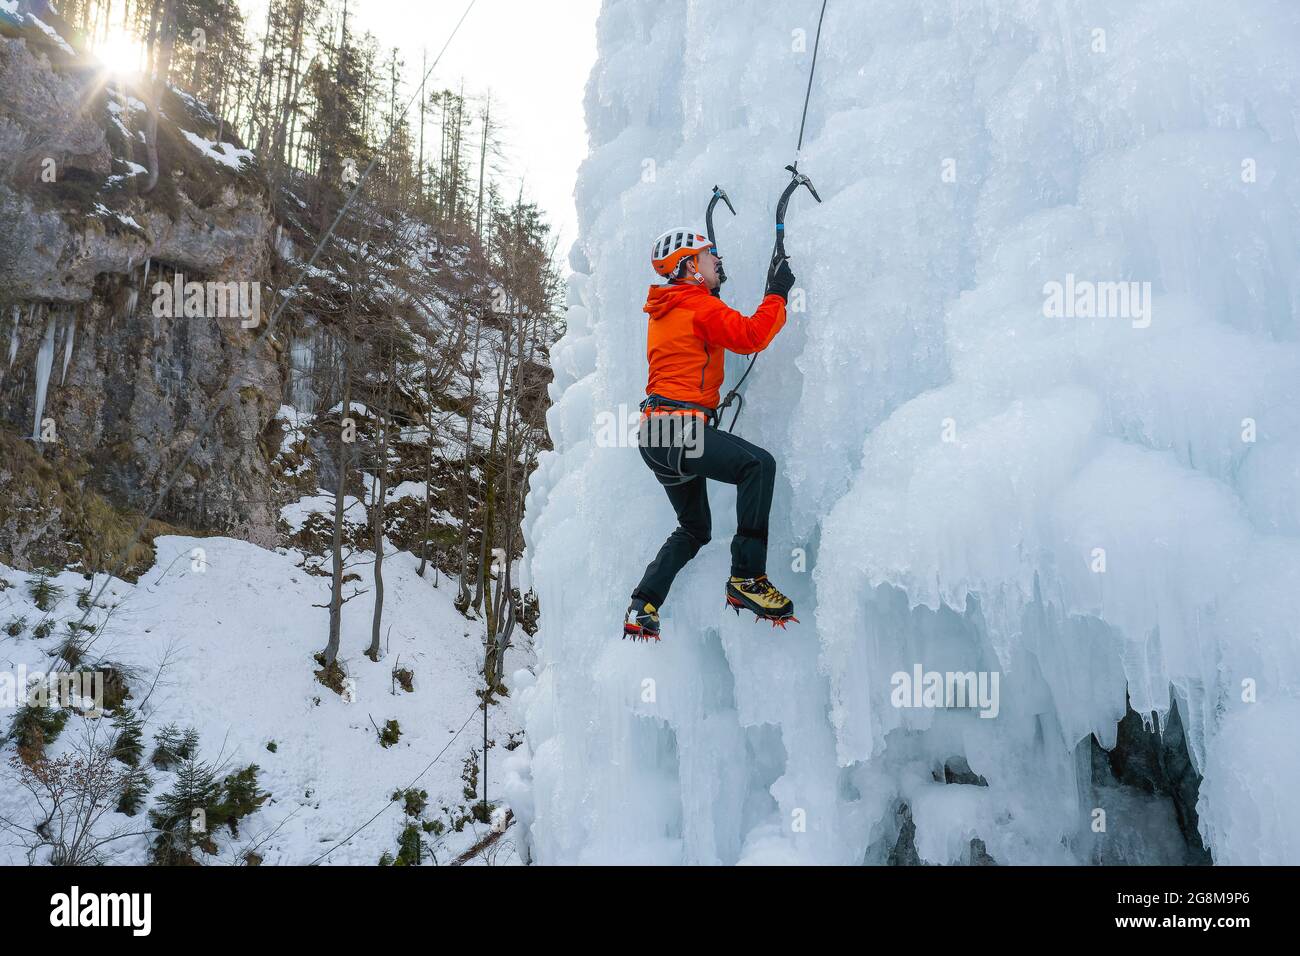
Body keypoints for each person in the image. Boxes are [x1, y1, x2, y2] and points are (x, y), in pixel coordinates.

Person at [623, 226, 798, 641]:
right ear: (689, 267)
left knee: (694, 528)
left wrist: (712, 294)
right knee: (758, 464)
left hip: (655, 436)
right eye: (708, 256)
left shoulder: (668, 309)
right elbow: (752, 336)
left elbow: (698, 339)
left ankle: (643, 603)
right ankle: (747, 577)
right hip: (680, 430)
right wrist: (776, 292)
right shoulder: (698, 307)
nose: (718, 260)